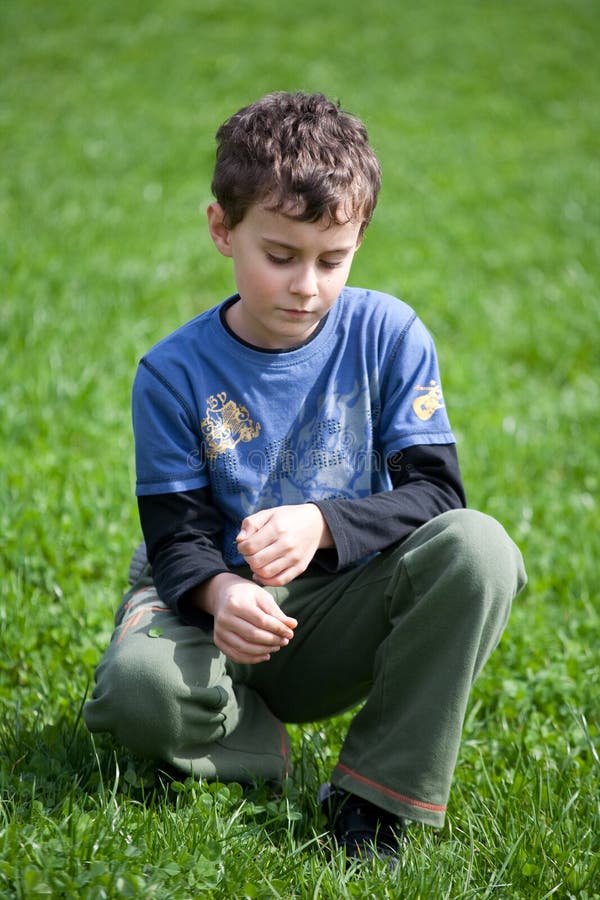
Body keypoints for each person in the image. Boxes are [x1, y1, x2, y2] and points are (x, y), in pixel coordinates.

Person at [84, 91, 527, 862]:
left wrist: (324, 522)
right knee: (139, 693)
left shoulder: (390, 334)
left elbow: (438, 494)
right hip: (209, 612)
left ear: (359, 238)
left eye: (334, 259)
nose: (307, 287)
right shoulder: (171, 373)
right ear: (223, 230)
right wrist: (220, 594)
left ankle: (373, 795)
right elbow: (177, 536)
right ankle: (262, 747)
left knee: (480, 548)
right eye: (281, 256)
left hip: (334, 606)